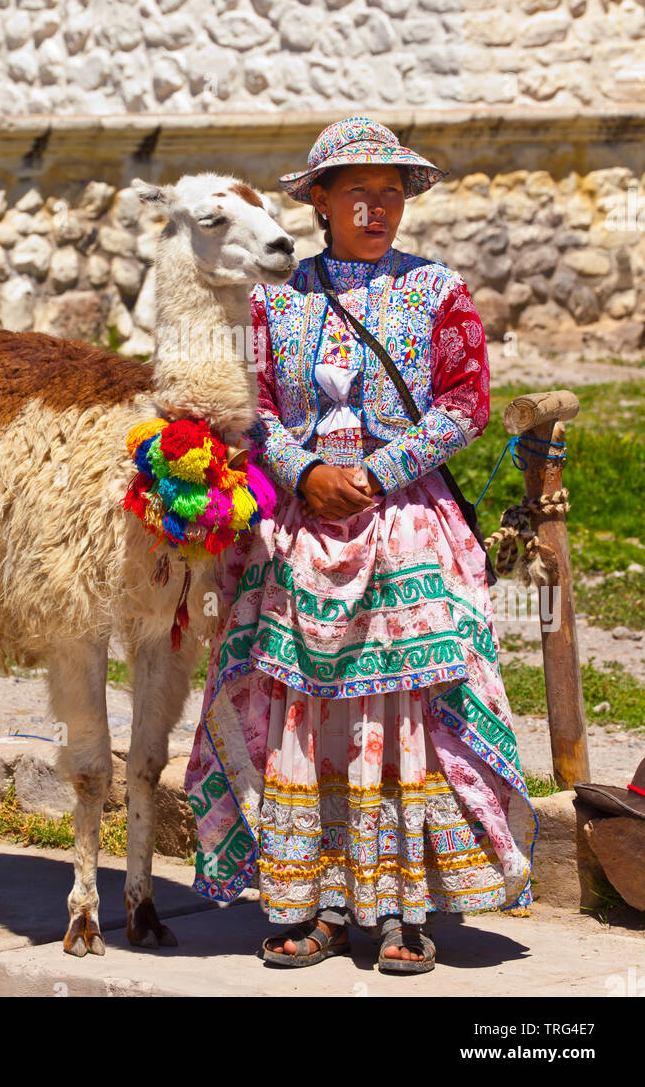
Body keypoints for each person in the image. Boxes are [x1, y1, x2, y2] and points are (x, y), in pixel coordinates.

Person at [185, 115, 536, 974]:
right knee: (309, 709)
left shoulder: (439, 293)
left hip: (404, 525)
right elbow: (251, 403)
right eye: (358, 195)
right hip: (301, 533)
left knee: (405, 708)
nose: (377, 210)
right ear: (322, 204)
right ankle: (315, 906)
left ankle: (406, 911)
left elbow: (464, 401)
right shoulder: (277, 298)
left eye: (390, 195)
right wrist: (303, 473)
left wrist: (379, 472)